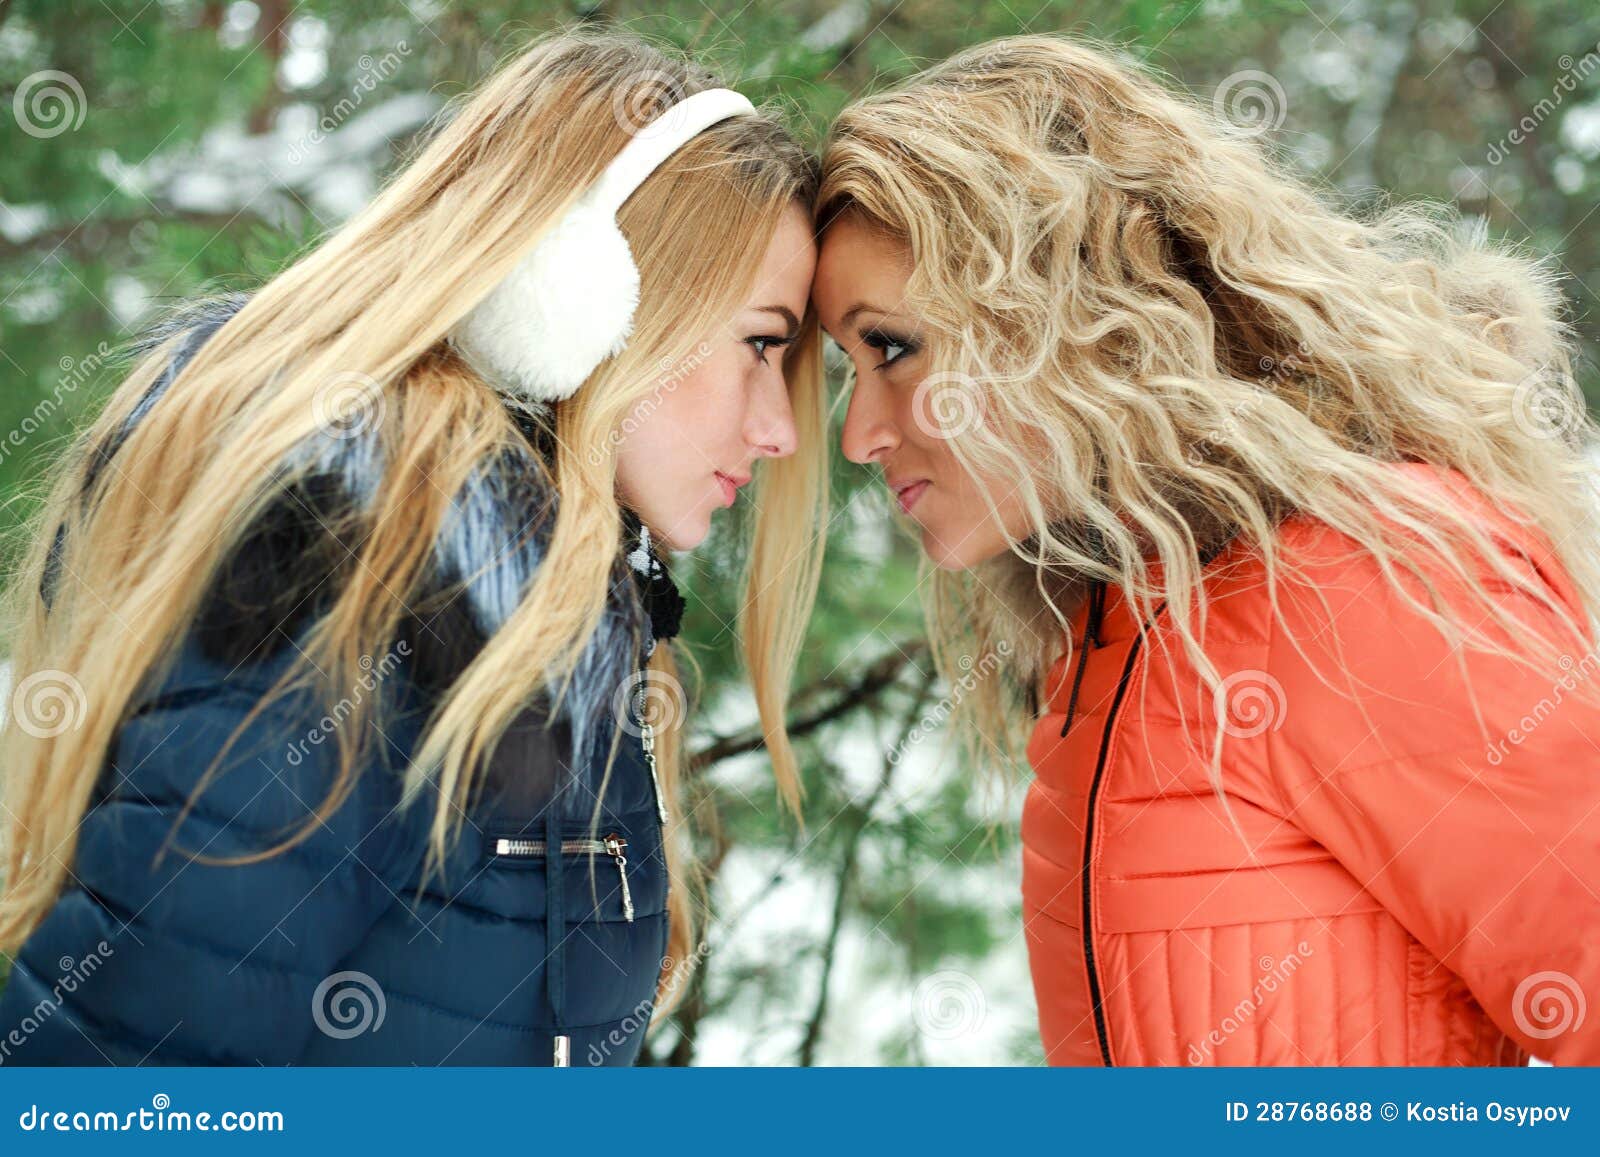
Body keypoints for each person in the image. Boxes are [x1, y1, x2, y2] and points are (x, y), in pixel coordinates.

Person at [0, 28, 825, 1066]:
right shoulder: (363, 553)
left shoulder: (528, 593)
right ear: (575, 292)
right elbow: (134, 1067)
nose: (778, 428)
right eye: (762, 341)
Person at [813, 33, 1600, 1066]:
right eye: (845, 364)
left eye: (892, 348)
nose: (858, 432)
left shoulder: (1359, 583)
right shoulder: (1114, 621)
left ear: (1065, 307)